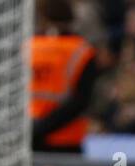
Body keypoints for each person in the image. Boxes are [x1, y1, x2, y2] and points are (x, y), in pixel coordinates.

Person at [29, 0, 100, 153]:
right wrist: (44, 126)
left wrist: (35, 128)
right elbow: (81, 101)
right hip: (66, 140)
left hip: (29, 136)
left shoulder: (27, 47)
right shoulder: (82, 51)